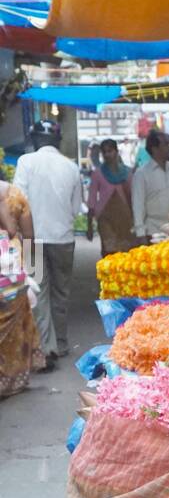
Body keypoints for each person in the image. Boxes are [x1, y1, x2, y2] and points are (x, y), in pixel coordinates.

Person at [13, 126, 83, 362]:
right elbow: (75, 210)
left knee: (39, 292)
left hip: (34, 240)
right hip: (63, 240)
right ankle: (61, 343)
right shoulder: (72, 167)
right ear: (58, 141)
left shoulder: (26, 162)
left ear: (34, 139)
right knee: (61, 293)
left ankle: (46, 346)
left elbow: (17, 201)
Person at [0, 181, 46, 392]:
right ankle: (11, 380)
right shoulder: (14, 194)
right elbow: (25, 234)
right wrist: (33, 269)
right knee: (16, 326)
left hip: (7, 267)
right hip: (10, 265)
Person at [86, 138, 135, 256]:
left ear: (117, 152)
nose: (107, 154)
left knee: (126, 253)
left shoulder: (128, 173)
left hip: (126, 218)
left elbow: (134, 197)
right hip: (105, 218)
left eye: (110, 151)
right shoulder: (97, 173)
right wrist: (89, 226)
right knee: (109, 252)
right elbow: (92, 199)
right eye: (104, 152)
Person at [131, 129, 169, 240]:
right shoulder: (142, 174)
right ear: (155, 149)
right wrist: (140, 233)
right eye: (166, 144)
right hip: (154, 230)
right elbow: (138, 205)